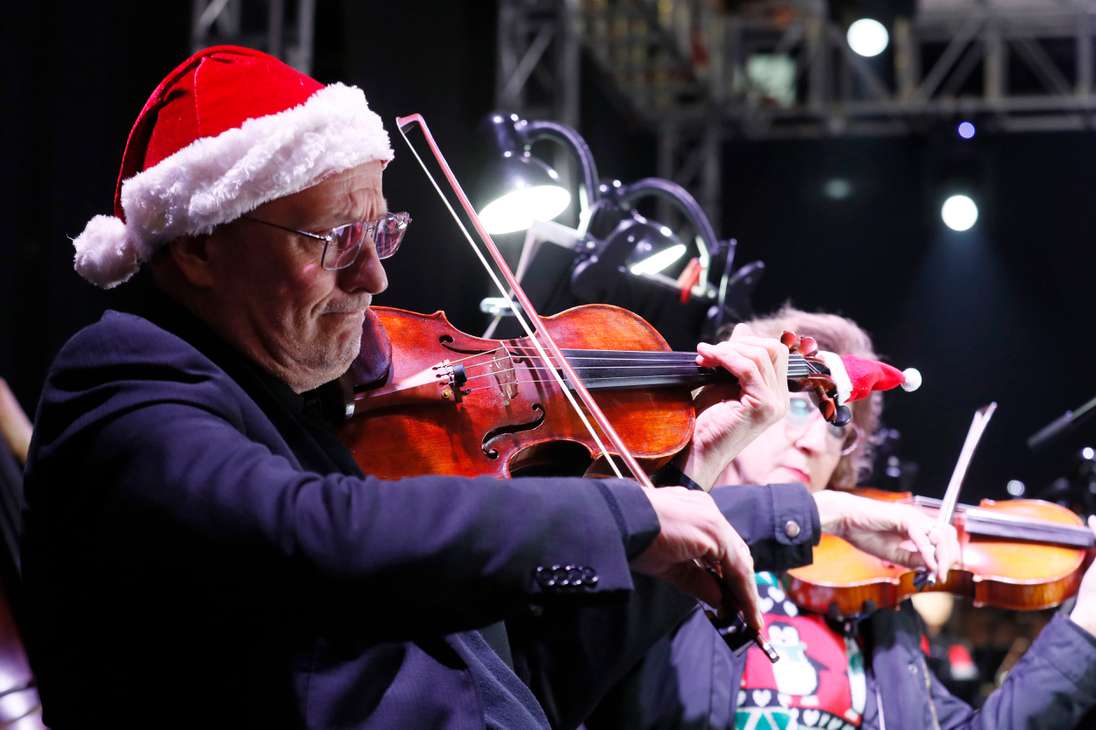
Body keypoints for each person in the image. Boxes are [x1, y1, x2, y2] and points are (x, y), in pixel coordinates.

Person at [21, 46, 956, 729]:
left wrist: (698, 488)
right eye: (327, 240)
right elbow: (311, 537)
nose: (374, 280)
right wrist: (633, 520)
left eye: (378, 235)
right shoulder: (126, 384)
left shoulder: (314, 419)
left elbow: (532, 681)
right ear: (197, 248)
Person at [587, 306, 1096, 729]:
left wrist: (1085, 631)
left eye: (836, 425)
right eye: (797, 406)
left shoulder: (869, 603)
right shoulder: (648, 544)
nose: (812, 440)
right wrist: (816, 511)